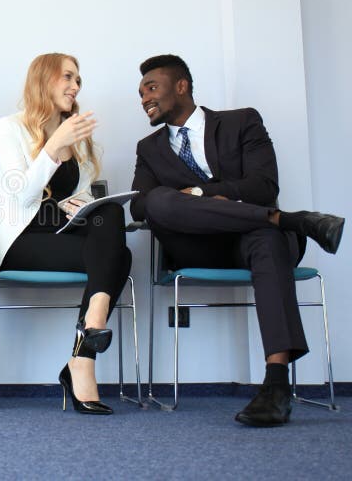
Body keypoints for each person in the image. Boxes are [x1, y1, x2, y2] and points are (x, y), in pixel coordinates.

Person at [131, 54, 344, 427]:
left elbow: (263, 186)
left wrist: (198, 193)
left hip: (254, 241)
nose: (144, 97)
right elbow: (139, 206)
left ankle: (276, 386)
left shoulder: (241, 122)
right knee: (159, 200)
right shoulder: (149, 148)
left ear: (181, 86)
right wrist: (203, 199)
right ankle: (294, 220)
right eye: (141, 92)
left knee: (267, 240)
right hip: (199, 247)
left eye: (152, 87)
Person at [0, 53, 132, 415]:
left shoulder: (80, 137)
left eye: (79, 80)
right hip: (18, 241)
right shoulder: (9, 128)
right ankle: (85, 354)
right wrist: (53, 146)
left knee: (108, 212)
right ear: (44, 80)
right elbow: (21, 195)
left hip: (62, 231)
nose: (76, 87)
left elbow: (80, 193)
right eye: (68, 77)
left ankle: (89, 334)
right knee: (120, 258)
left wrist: (81, 205)